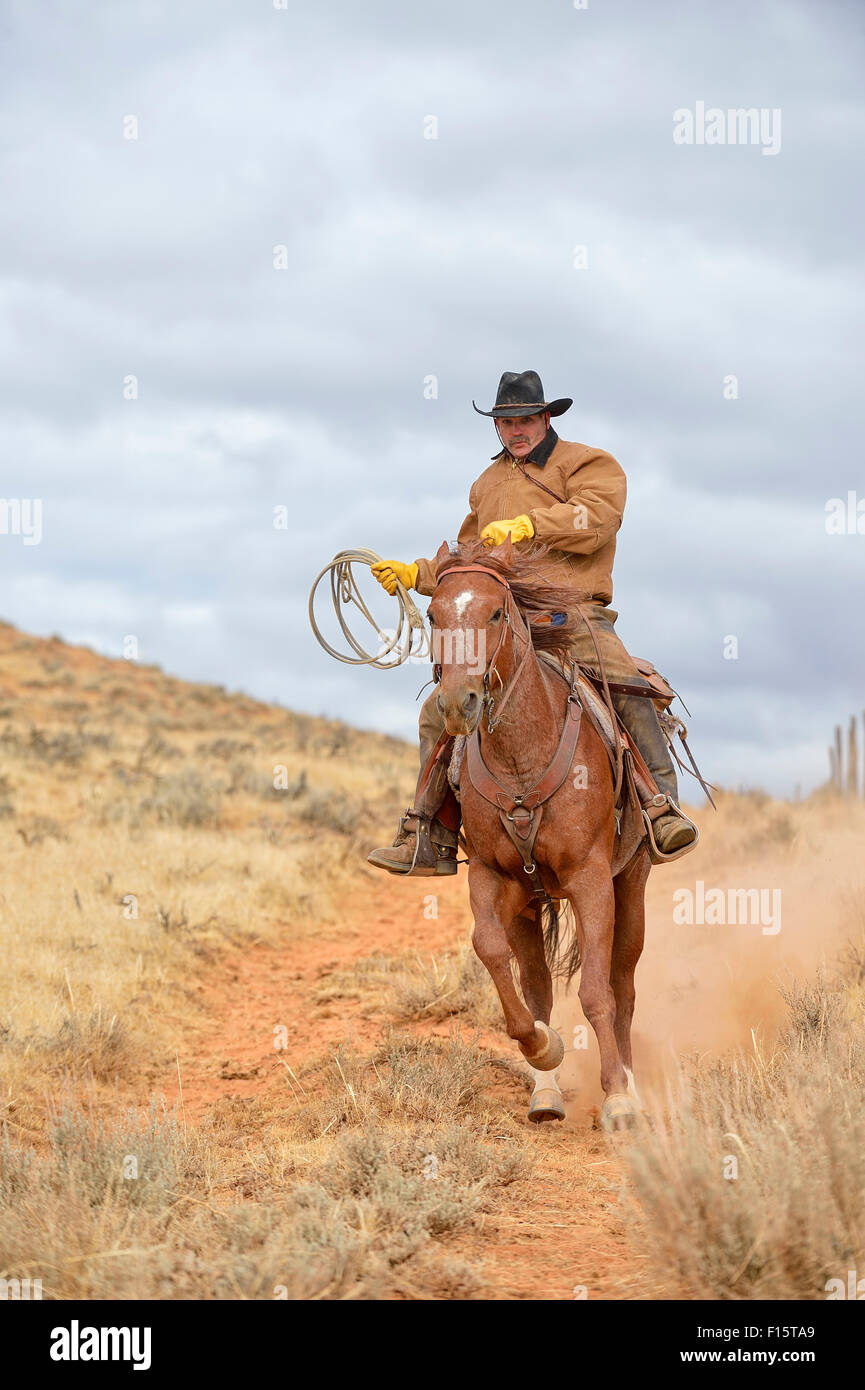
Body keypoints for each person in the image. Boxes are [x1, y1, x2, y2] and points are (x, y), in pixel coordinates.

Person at [367, 369, 699, 874]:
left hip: (575, 617)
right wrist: (419, 573)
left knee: (626, 684)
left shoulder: (589, 463)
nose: (515, 430)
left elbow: (597, 520)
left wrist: (530, 525)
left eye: (524, 419)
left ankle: (661, 806)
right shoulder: (486, 484)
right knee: (441, 708)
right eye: (505, 422)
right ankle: (427, 833)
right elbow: (471, 558)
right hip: (504, 620)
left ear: (546, 417)